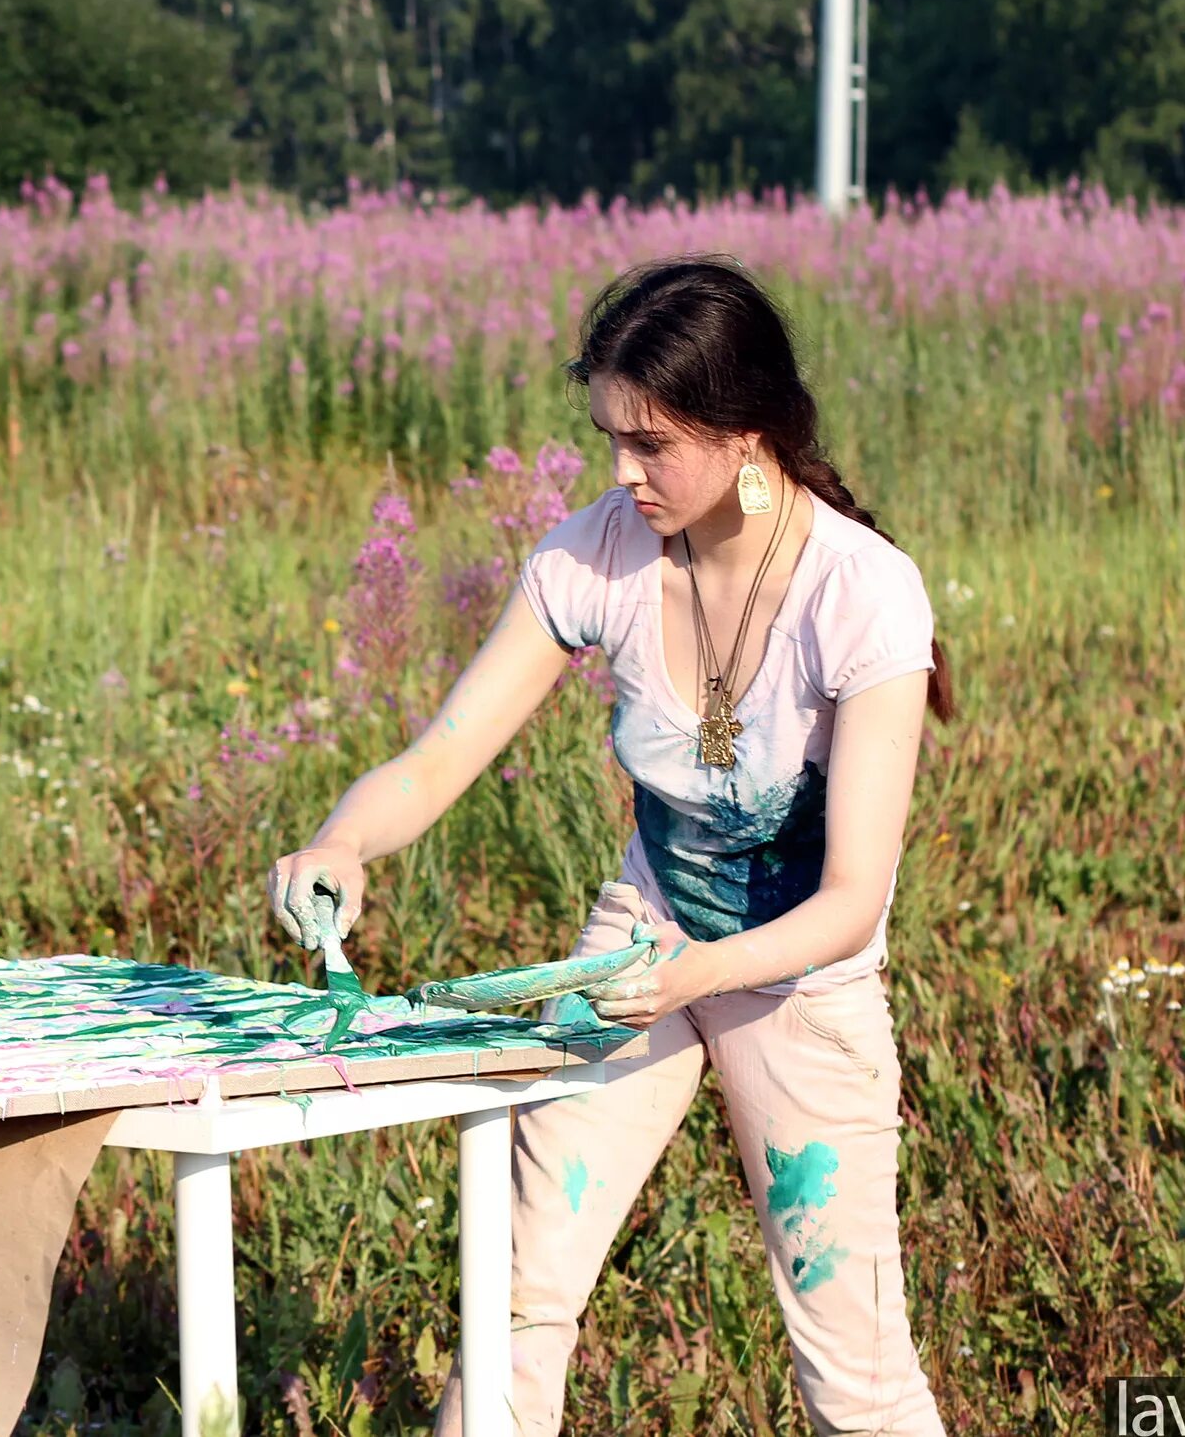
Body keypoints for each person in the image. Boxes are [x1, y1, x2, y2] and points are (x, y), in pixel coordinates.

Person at [266, 257, 953, 1436]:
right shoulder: (592, 555)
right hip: (638, 940)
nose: (620, 474)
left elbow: (849, 900)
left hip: (801, 976)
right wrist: (342, 839)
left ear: (746, 436)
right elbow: (439, 757)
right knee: (516, 1295)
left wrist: (691, 976)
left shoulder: (864, 593)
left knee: (851, 1358)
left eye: (651, 444)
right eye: (608, 438)